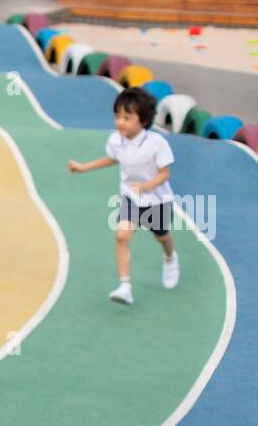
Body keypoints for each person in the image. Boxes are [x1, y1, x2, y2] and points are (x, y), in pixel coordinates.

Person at [68, 86, 179, 305]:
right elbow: (113, 158)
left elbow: (165, 174)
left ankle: (170, 257)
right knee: (122, 236)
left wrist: (147, 186)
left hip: (157, 199)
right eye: (117, 116)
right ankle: (125, 286)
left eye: (127, 117)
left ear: (143, 121)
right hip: (130, 196)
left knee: (161, 236)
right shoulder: (115, 141)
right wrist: (84, 167)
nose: (120, 122)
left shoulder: (157, 144)